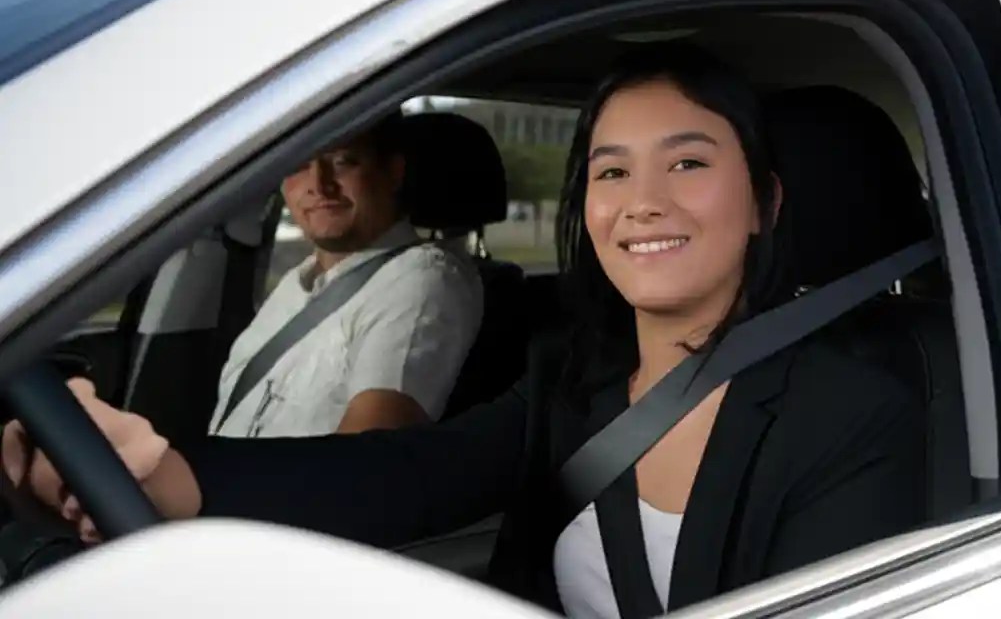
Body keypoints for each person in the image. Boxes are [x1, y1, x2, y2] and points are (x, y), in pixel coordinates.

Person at [3, 47, 925, 618]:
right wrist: (168, 476)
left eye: (687, 163)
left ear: (763, 203)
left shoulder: (853, 411)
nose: (642, 202)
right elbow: (401, 474)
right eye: (611, 173)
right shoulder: (571, 376)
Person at [211, 122, 484, 437]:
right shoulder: (294, 283)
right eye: (297, 166)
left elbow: (367, 455)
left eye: (342, 161)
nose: (318, 185)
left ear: (393, 173)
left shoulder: (420, 280)